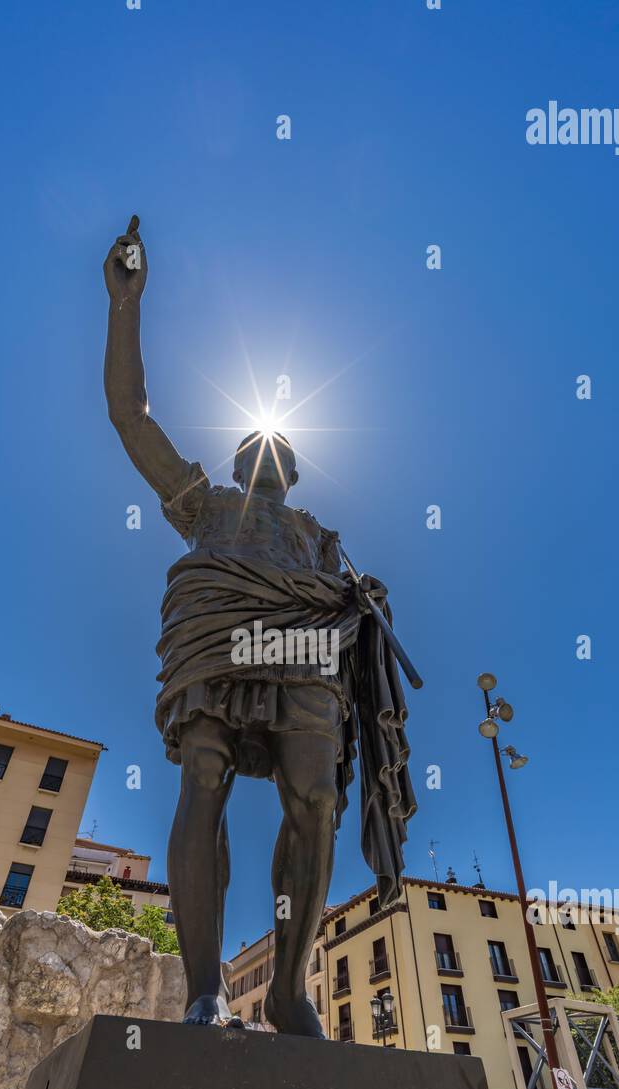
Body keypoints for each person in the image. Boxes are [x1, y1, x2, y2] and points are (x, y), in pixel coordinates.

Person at [103, 216, 416, 1033]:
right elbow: (131, 418)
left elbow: (354, 611)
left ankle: (286, 989)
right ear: (239, 462)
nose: (266, 457)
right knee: (202, 773)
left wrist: (365, 603)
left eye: (280, 451)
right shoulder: (202, 504)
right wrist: (124, 305)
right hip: (218, 634)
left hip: (308, 648)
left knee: (315, 800)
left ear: (294, 471)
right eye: (255, 447)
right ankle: (205, 989)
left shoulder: (319, 536)